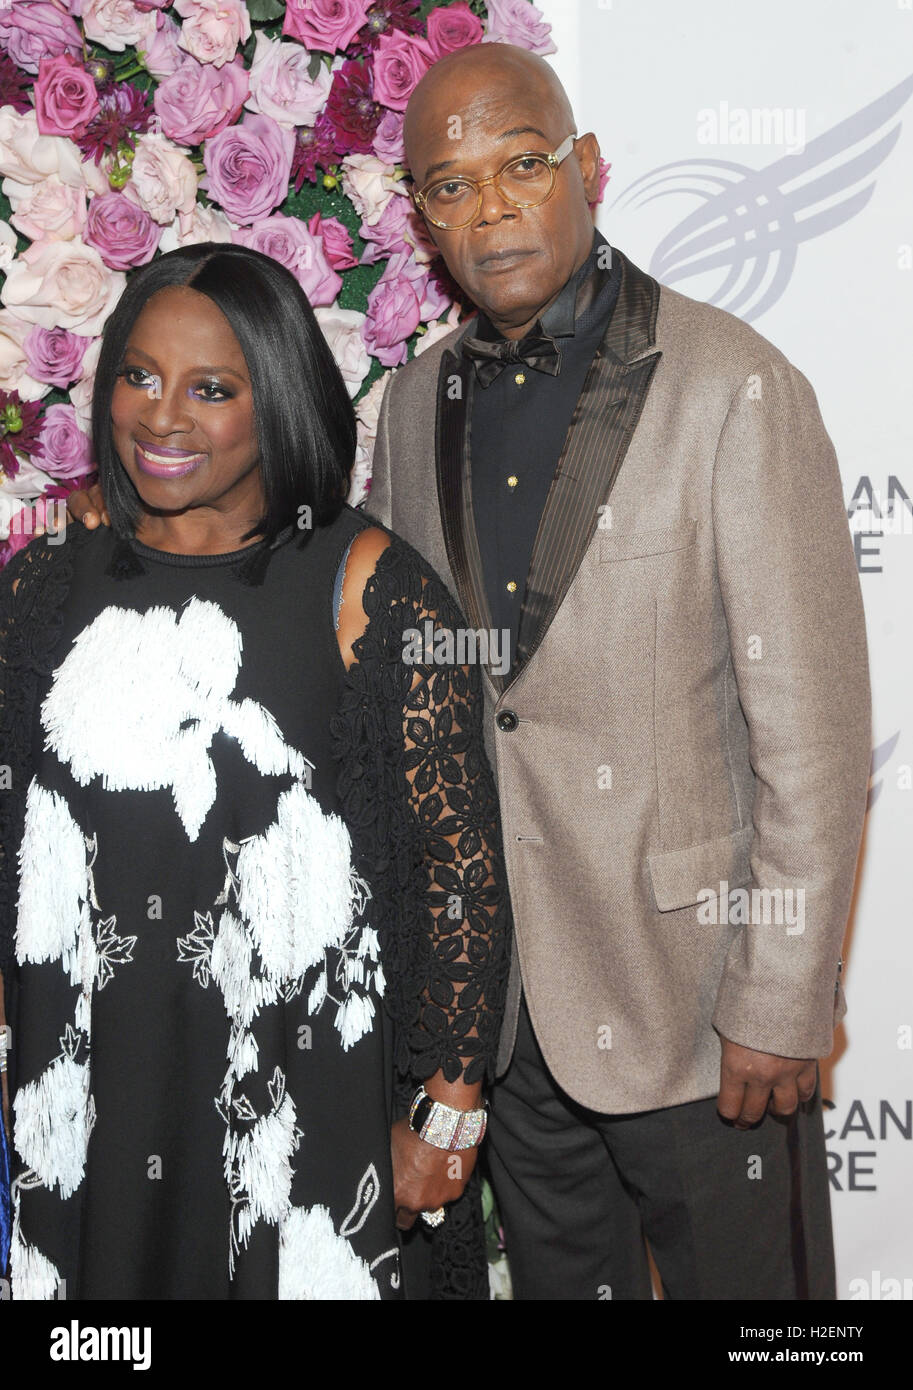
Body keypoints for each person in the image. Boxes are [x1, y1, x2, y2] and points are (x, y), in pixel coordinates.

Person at [66, 45, 872, 1301]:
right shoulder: (418, 398)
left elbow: (814, 731)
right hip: (504, 1025)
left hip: (696, 1004)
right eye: (450, 184)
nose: (490, 205)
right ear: (424, 220)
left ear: (588, 171)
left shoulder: (734, 386)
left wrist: (781, 993)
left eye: (523, 166)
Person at [0, 243, 510, 1300]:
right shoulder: (48, 584)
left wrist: (449, 1105)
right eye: (138, 376)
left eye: (211, 389)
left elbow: (458, 860)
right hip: (95, 1079)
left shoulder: (376, 589)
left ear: (274, 395)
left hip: (300, 1087)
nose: (161, 417)